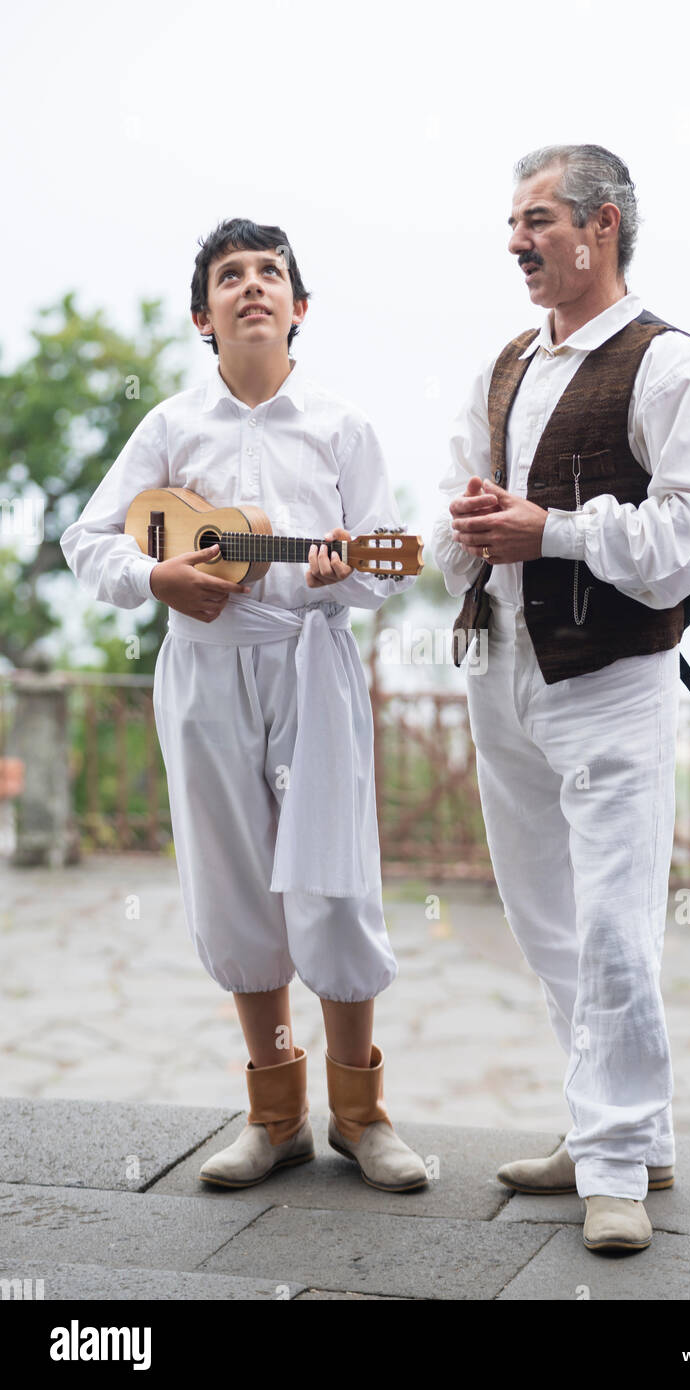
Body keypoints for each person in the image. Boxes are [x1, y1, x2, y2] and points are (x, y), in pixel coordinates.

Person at [61, 218, 427, 1193]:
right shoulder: (171, 427)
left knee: (336, 883)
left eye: (272, 273)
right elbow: (87, 540)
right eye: (232, 275)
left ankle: (361, 1114)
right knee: (234, 887)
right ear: (203, 315)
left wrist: (341, 573)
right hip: (205, 672)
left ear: (300, 309)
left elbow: (382, 567)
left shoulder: (342, 426)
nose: (253, 285)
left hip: (309, 666)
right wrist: (157, 577)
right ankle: (275, 1115)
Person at [431, 145, 690, 1252]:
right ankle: (618, 1125)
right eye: (512, 221)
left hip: (612, 674)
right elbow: (451, 518)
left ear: (601, 225)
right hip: (501, 663)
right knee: (548, 920)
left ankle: (613, 1167)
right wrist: (433, 538)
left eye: (538, 218)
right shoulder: (506, 365)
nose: (516, 239)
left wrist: (551, 529)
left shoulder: (669, 366)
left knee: (613, 924)